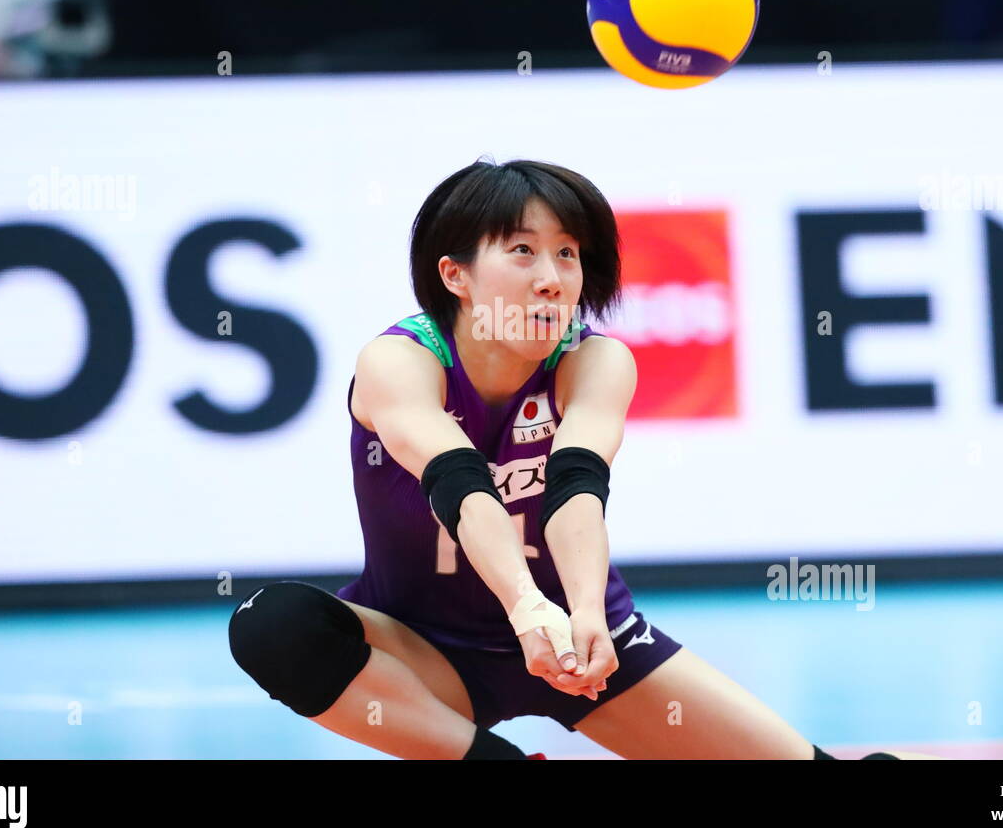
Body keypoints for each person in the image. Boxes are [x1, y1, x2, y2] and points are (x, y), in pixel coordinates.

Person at [229, 158, 920, 760]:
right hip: (427, 651)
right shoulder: (397, 361)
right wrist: (528, 607)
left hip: (585, 644)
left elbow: (576, 491)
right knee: (273, 624)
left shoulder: (595, 361)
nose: (553, 278)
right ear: (455, 274)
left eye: (568, 254)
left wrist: (584, 610)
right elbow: (460, 484)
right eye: (523, 252)